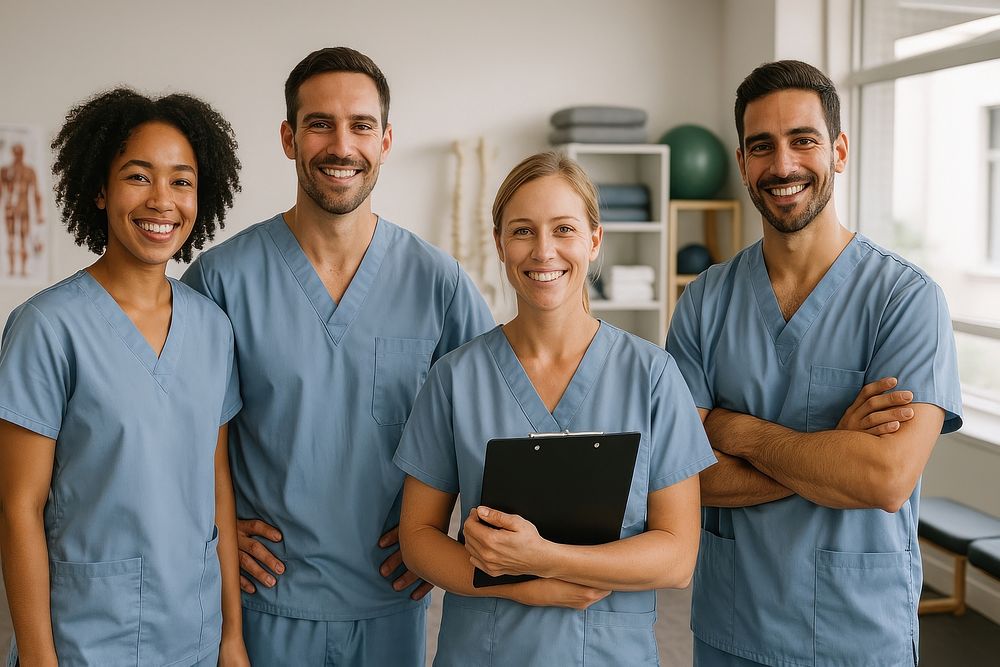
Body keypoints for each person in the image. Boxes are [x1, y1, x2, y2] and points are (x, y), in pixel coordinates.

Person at [181, 46, 493, 665]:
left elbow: (491, 422)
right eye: (319, 123)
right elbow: (176, 434)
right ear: (288, 137)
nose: (340, 144)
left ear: (385, 140)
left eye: (361, 125)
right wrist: (210, 536)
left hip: (390, 601)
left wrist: (450, 541)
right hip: (264, 598)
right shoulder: (221, 281)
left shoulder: (438, 282)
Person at [666, 60, 963, 666]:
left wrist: (735, 430)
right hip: (732, 626)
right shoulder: (704, 302)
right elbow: (679, 479)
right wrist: (831, 455)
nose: (783, 165)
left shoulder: (905, 301)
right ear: (744, 163)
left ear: (839, 150)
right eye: (761, 147)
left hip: (856, 631)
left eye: (803, 140)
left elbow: (882, 479)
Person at [394, 151, 714, 666]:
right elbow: (418, 538)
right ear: (500, 243)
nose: (544, 251)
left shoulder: (652, 376)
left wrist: (544, 559)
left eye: (563, 229)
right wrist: (518, 589)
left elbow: (678, 557)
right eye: (523, 231)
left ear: (594, 239)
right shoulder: (455, 378)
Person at [0, 88, 246, 666]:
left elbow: (217, 487)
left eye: (181, 181)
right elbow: (17, 508)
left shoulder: (212, 328)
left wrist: (231, 636)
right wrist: (38, 658)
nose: (162, 201)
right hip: (85, 639)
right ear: (100, 190)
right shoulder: (46, 327)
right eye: (138, 176)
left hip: (194, 631)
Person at [0, 143, 44, 277]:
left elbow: (36, 193)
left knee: (23, 237)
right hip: (10, 208)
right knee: (11, 238)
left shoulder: (29, 171)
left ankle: (22, 270)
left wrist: (39, 213)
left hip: (23, 207)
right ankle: (13, 269)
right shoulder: (6, 170)